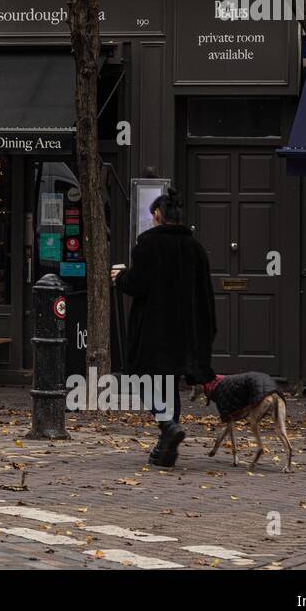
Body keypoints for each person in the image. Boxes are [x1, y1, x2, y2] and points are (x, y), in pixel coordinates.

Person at [111, 188, 216, 468]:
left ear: (157, 215)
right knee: (170, 384)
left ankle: (167, 425)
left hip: (154, 330)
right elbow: (206, 293)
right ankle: (166, 448)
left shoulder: (147, 245)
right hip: (186, 331)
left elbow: (137, 284)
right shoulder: (195, 249)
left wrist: (120, 276)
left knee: (141, 379)